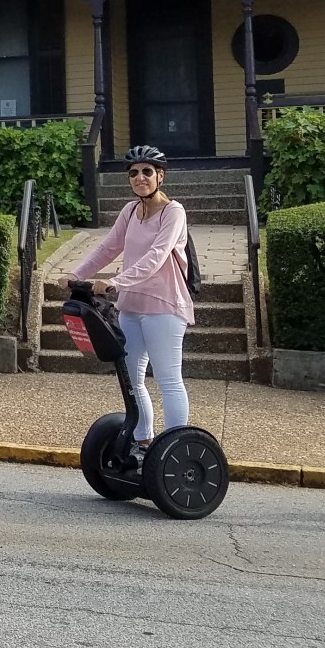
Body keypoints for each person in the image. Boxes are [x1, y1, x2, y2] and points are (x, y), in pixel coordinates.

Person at [70, 145, 195, 457]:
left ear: (160, 176)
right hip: (131, 307)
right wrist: (76, 275)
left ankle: (175, 448)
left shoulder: (173, 212)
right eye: (134, 173)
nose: (140, 178)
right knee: (131, 379)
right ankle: (143, 442)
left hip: (165, 307)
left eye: (147, 172)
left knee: (168, 379)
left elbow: (156, 256)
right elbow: (108, 247)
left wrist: (114, 281)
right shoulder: (129, 211)